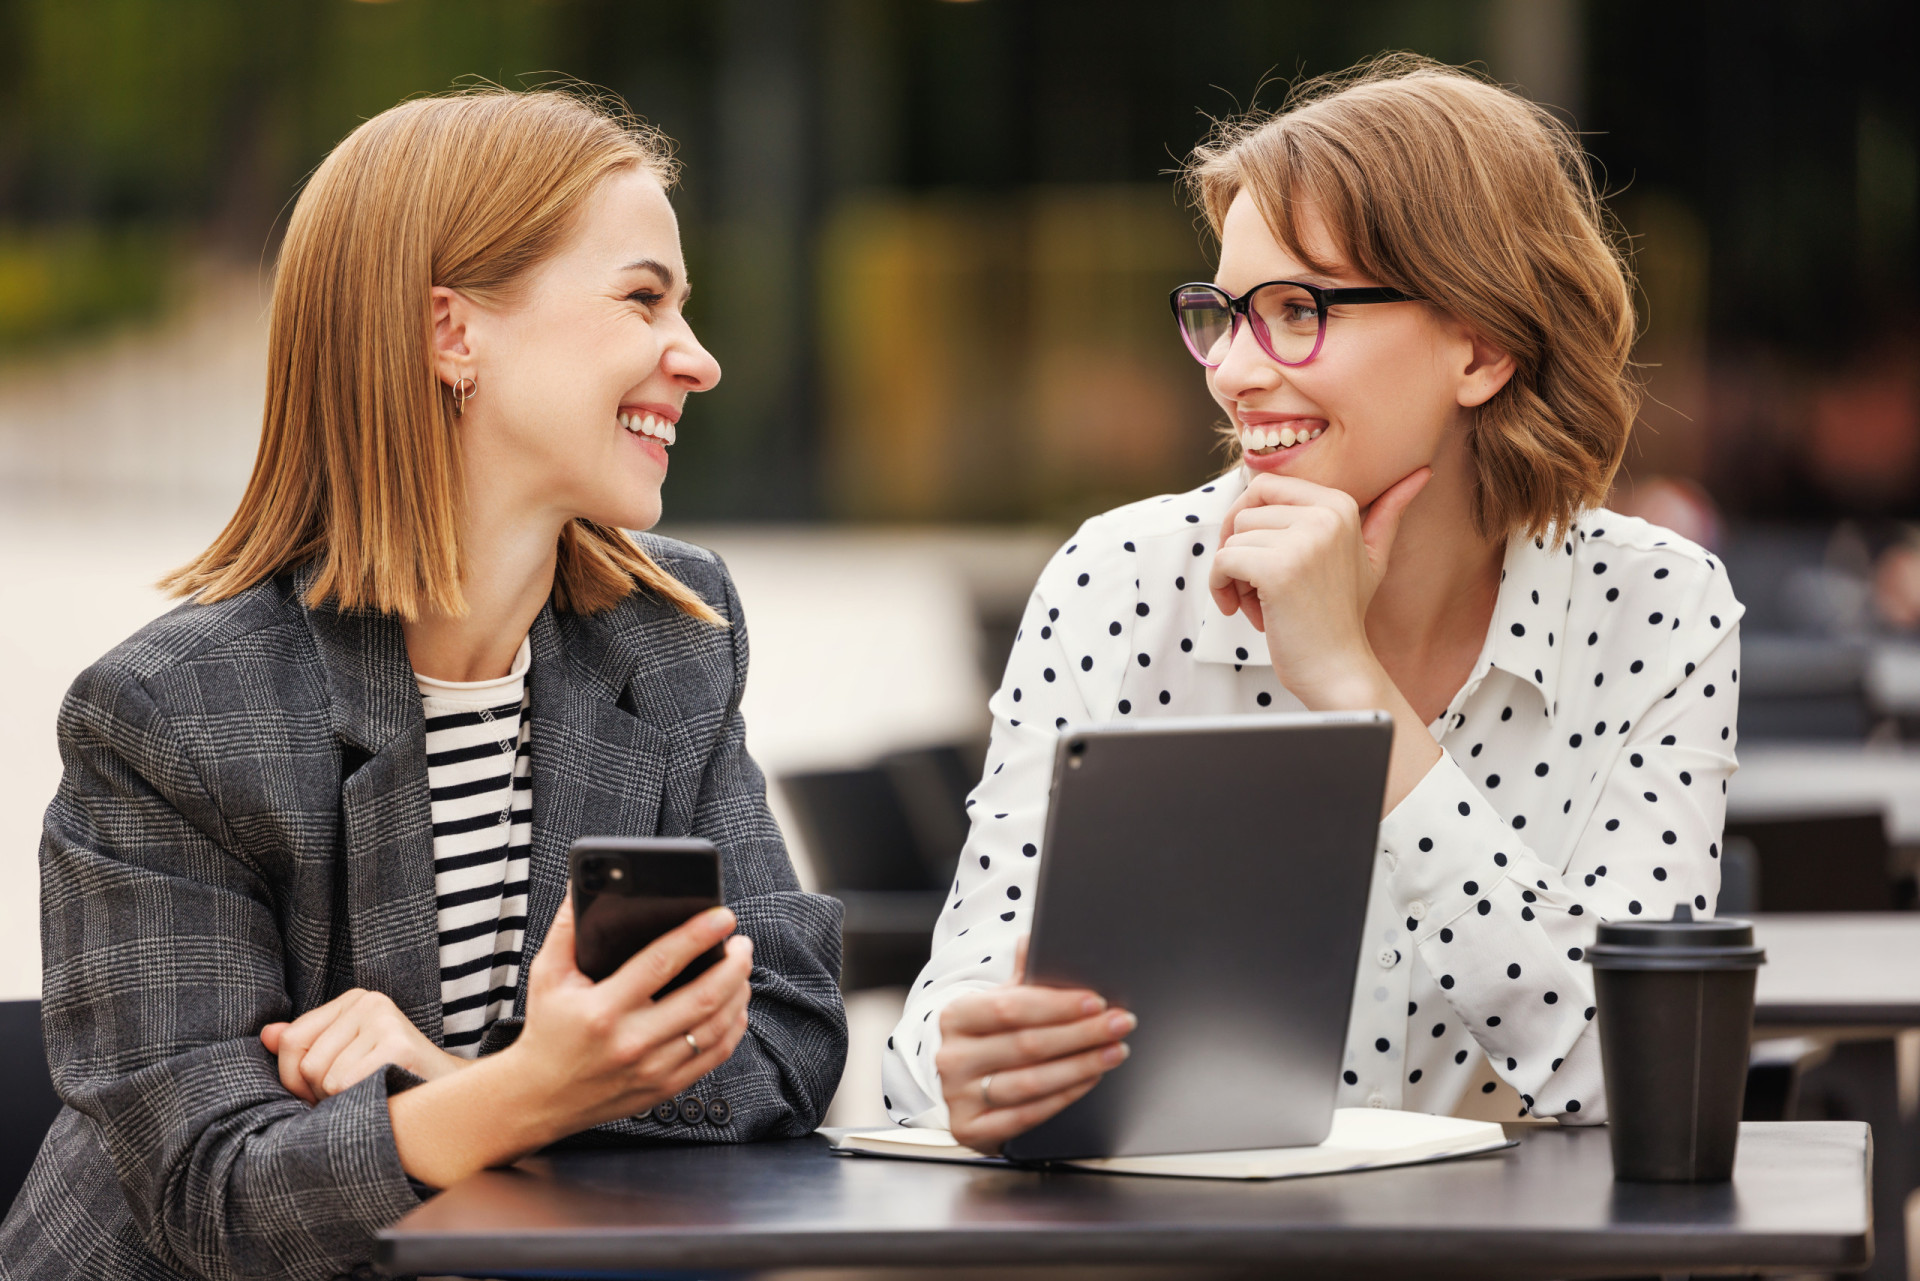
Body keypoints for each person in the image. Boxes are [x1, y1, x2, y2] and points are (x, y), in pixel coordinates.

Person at [0, 88, 846, 1280]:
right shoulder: (171, 715)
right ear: (453, 333)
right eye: (643, 298)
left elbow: (788, 1039)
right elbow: (217, 1200)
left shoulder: (669, 642)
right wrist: (532, 1088)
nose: (697, 360)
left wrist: (477, 1087)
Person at [882, 55, 1742, 1153]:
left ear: (1480, 345)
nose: (1235, 369)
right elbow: (922, 1067)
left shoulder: (1656, 605)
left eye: (1297, 309)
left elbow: (1627, 1070)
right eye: (1226, 314)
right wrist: (976, 1061)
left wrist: (1353, 691)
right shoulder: (1122, 580)